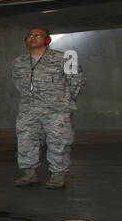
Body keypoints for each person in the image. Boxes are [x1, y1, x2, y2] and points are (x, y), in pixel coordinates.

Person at [11, 27, 83, 189]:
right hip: (28, 110)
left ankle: (58, 174)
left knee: (59, 141)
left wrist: (64, 101)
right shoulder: (18, 62)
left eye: (38, 35)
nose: (33, 37)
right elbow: (18, 84)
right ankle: (28, 173)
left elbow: (77, 81)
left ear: (47, 40)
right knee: (26, 140)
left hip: (56, 110)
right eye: (30, 35)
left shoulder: (65, 58)